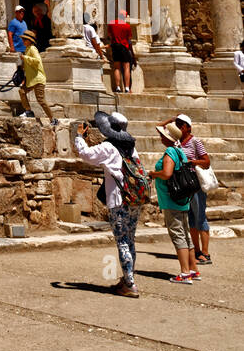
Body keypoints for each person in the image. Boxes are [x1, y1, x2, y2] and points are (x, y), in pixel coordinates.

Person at [75, 112, 144, 297]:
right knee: (130, 240)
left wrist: (79, 137)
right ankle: (128, 277)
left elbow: (85, 154)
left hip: (118, 200)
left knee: (122, 241)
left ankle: (129, 284)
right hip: (134, 199)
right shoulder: (132, 148)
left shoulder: (109, 147)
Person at [154, 122, 199, 284]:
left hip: (171, 199)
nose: (160, 137)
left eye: (162, 135)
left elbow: (166, 173)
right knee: (185, 233)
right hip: (182, 198)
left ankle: (185, 273)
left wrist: (153, 174)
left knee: (178, 234)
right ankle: (193, 269)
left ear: (167, 138)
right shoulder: (180, 151)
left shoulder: (170, 151)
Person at [171, 113, 213, 265]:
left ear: (188, 127)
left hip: (195, 184)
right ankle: (196, 250)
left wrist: (191, 162)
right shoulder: (177, 143)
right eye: (178, 125)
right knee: (191, 218)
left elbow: (206, 162)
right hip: (184, 185)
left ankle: (206, 253)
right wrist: (172, 120)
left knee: (200, 216)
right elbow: (159, 128)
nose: (179, 128)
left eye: (182, 125)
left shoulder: (195, 141)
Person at [18, 28, 59, 126]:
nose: (23, 41)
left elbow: (37, 61)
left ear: (29, 41)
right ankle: (28, 111)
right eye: (23, 39)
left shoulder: (32, 49)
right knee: (22, 91)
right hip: (31, 79)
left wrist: (25, 58)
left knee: (41, 100)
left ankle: (53, 119)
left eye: (25, 39)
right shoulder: (27, 50)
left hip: (38, 79)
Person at [108, 8, 135, 94]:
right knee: (126, 67)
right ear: (125, 17)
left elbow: (109, 35)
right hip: (124, 47)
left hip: (115, 46)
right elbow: (129, 39)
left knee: (116, 67)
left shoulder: (112, 23)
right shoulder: (127, 26)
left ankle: (118, 87)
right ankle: (127, 87)